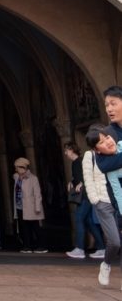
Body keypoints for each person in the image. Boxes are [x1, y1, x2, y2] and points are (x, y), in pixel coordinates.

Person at [83, 123, 121, 288]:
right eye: (101, 140)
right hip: (104, 202)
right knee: (115, 241)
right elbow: (88, 178)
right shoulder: (90, 156)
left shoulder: (117, 151)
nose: (107, 141)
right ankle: (106, 264)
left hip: (119, 201)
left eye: (107, 136)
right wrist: (95, 199)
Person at [64, 140, 105, 259]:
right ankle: (102, 248)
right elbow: (79, 176)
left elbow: (89, 174)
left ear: (71, 150)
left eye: (66, 150)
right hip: (85, 196)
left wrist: (81, 182)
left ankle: (80, 249)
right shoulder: (76, 162)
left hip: (86, 196)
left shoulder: (79, 161)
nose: (65, 153)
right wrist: (72, 182)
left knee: (78, 219)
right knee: (89, 222)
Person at [12, 158, 47, 253]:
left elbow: (37, 194)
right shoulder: (17, 177)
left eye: (17, 167)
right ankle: (27, 246)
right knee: (24, 227)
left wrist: (38, 207)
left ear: (22, 168)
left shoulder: (33, 178)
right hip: (20, 206)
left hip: (31, 207)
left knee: (35, 226)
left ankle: (42, 246)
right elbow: (14, 176)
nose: (16, 170)